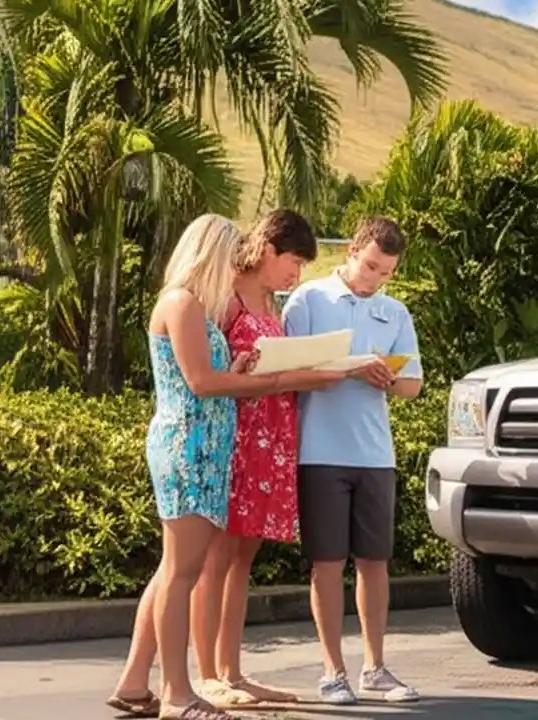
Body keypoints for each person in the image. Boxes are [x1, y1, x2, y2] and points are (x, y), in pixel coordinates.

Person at [105, 214, 340, 720]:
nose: (238, 262)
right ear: (210, 251)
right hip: (189, 447)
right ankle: (176, 693)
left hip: (205, 446)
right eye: (233, 252)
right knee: (181, 572)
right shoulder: (182, 302)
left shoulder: (195, 308)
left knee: (172, 570)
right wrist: (278, 382)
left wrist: (239, 371)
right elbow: (202, 384)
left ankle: (134, 683)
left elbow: (212, 375)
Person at [191, 209, 344, 708]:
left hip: (273, 437)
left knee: (243, 557)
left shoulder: (271, 301)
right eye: (294, 262)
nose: (296, 275)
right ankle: (208, 673)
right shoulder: (225, 294)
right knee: (217, 557)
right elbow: (210, 368)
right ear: (269, 249)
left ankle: (233, 671)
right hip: (236, 436)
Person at [281, 216, 424, 705]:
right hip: (319, 451)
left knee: (375, 562)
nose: (375, 279)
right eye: (370, 267)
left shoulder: (395, 312)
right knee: (326, 561)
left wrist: (383, 377)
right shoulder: (308, 300)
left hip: (374, 454)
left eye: (386, 272)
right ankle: (332, 672)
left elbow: (413, 386)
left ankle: (376, 669)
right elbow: (287, 372)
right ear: (351, 252)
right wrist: (344, 369)